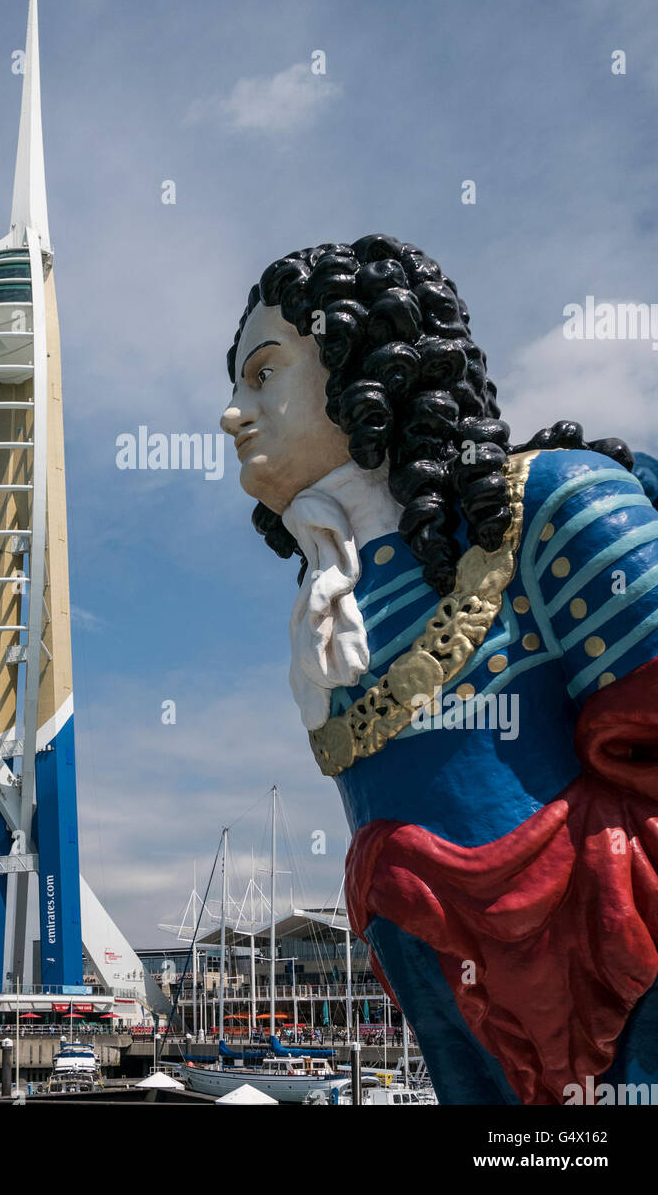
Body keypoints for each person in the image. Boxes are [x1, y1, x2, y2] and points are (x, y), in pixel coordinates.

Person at [221, 234, 658, 1105]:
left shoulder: (554, 505)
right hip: (436, 980)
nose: (234, 413)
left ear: (366, 364)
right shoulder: (326, 613)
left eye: (263, 374)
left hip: (622, 986)